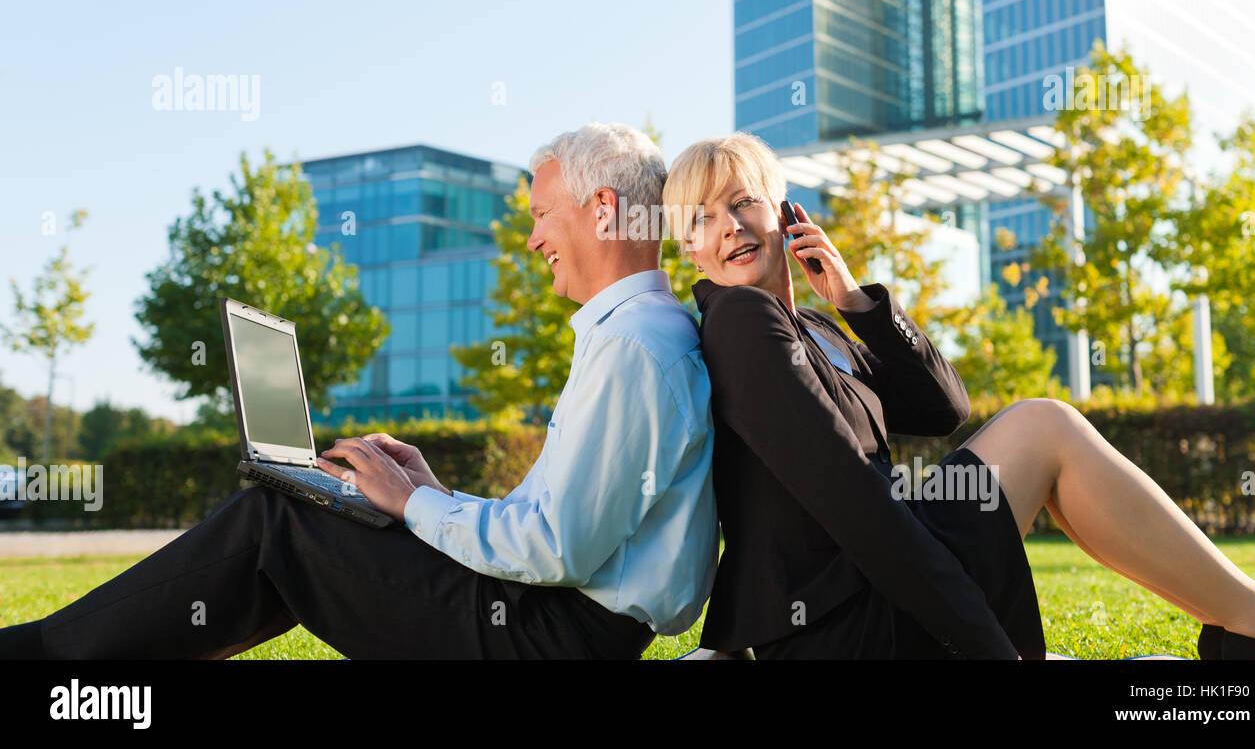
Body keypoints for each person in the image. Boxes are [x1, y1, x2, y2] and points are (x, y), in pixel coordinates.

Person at [0, 122, 718, 659]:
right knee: (299, 527)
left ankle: (36, 657)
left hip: (547, 638)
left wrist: (413, 504)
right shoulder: (633, 334)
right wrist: (431, 494)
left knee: (277, 523)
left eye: (539, 215)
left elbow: (553, 548)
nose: (532, 240)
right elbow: (558, 526)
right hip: (550, 619)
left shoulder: (633, 347)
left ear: (600, 210)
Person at [661, 131, 1255, 660]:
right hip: (846, 621)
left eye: (744, 202)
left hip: (881, 577)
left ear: (785, 213)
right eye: (702, 219)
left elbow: (944, 410)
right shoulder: (741, 320)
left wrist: (858, 302)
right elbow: (856, 504)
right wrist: (989, 650)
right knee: (1045, 428)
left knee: (1042, 428)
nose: (729, 228)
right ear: (689, 247)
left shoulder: (817, 325)